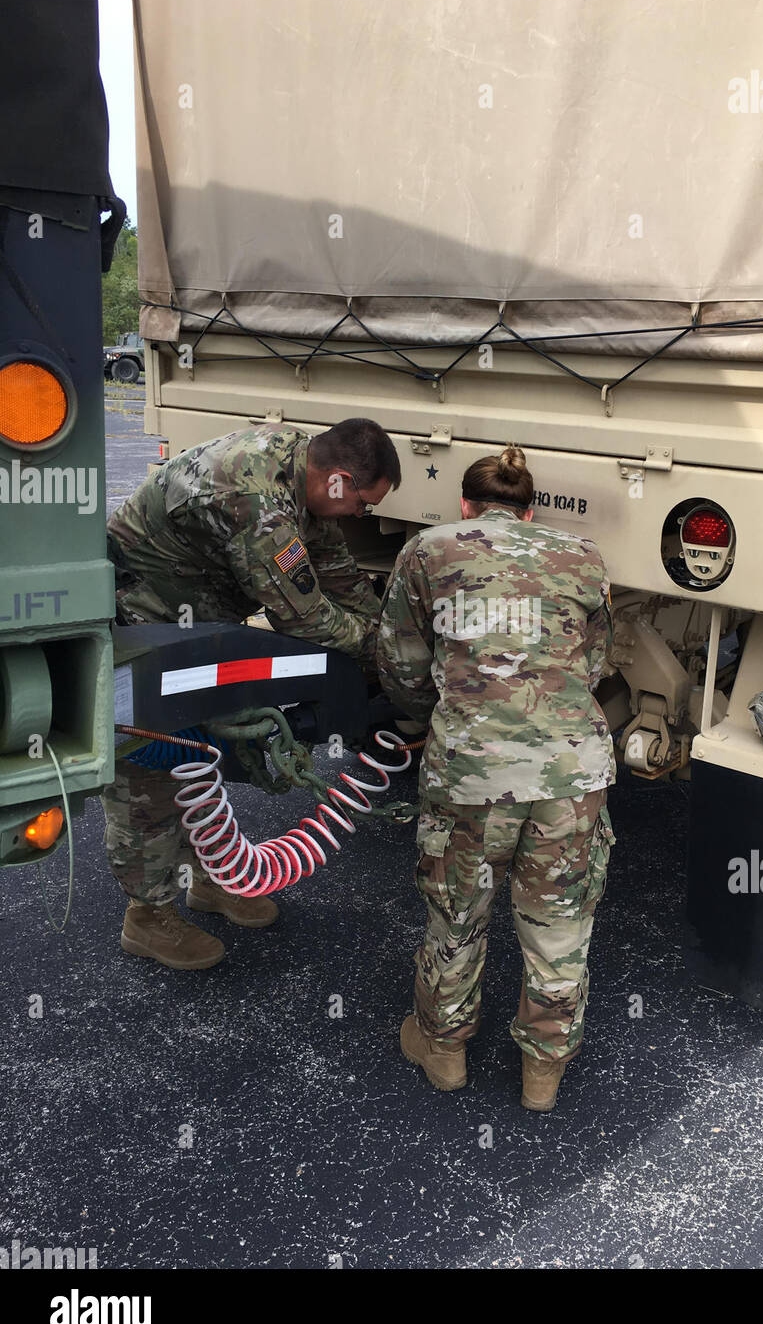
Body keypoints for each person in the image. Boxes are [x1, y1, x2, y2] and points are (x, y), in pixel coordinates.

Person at [104, 416, 401, 970]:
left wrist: (384, 628)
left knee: (202, 746)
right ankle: (148, 915)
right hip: (142, 613)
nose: (363, 516)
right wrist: (390, 657)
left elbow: (335, 570)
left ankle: (206, 877)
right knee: (150, 757)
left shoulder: (301, 468)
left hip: (199, 615)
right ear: (337, 480)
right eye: (363, 504)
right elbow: (304, 619)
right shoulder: (258, 504)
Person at [377, 444, 616, 1111]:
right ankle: (543, 1076)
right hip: (572, 773)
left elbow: (397, 659)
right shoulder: (584, 557)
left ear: (464, 505)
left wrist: (446, 711)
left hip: (470, 773)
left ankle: (443, 1051)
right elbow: (594, 663)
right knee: (558, 929)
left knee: (456, 916)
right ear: (530, 510)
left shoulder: (428, 549)